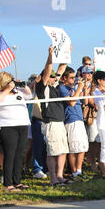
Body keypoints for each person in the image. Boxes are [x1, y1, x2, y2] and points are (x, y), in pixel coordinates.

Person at [0, 72, 33, 192]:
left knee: (19, 154)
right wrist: (7, 89)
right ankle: (8, 183)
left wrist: (23, 85)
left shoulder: (17, 92)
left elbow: (29, 96)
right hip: (7, 126)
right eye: (10, 81)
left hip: (22, 125)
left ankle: (17, 181)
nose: (12, 83)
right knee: (10, 154)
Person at [35, 46, 71, 186]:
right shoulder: (42, 87)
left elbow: (61, 69)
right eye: (51, 76)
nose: (54, 77)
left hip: (60, 122)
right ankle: (53, 178)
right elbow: (48, 69)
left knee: (63, 151)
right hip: (51, 122)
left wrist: (67, 53)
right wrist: (50, 55)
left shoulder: (53, 85)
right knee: (52, 152)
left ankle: (60, 175)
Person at [59, 67, 89, 181]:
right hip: (70, 119)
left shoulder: (74, 87)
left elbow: (84, 102)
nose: (73, 80)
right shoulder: (62, 88)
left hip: (79, 118)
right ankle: (73, 171)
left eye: (74, 77)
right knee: (73, 148)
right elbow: (71, 102)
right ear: (64, 78)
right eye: (71, 78)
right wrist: (78, 89)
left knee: (82, 146)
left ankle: (79, 170)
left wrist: (84, 89)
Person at [81, 66, 100, 172]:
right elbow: (87, 101)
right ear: (82, 74)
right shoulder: (79, 85)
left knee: (99, 141)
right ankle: (92, 162)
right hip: (90, 115)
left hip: (98, 115)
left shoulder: (96, 85)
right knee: (92, 141)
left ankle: (96, 161)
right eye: (87, 73)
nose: (89, 75)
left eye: (91, 73)